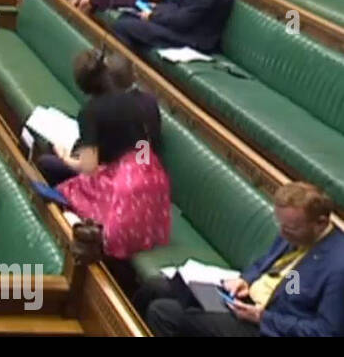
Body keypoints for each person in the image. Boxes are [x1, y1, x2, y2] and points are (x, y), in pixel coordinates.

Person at [135, 181, 344, 337]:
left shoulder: (337, 267)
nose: (282, 233)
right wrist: (246, 279)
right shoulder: (294, 231)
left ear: (320, 222)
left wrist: (263, 318)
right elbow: (265, 264)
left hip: (265, 326)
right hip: (241, 301)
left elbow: (326, 331)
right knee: (156, 287)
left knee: (163, 312)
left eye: (290, 228)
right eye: (280, 224)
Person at [56, 88, 171, 263]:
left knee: (68, 192)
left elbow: (89, 167)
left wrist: (65, 158)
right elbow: (143, 147)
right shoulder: (144, 108)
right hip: (138, 176)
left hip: (126, 187)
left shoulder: (94, 110)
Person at [35, 48, 163, 186]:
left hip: (118, 183)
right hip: (148, 174)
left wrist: (64, 157)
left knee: (46, 162)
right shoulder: (149, 100)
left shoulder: (92, 112)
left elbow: (89, 169)